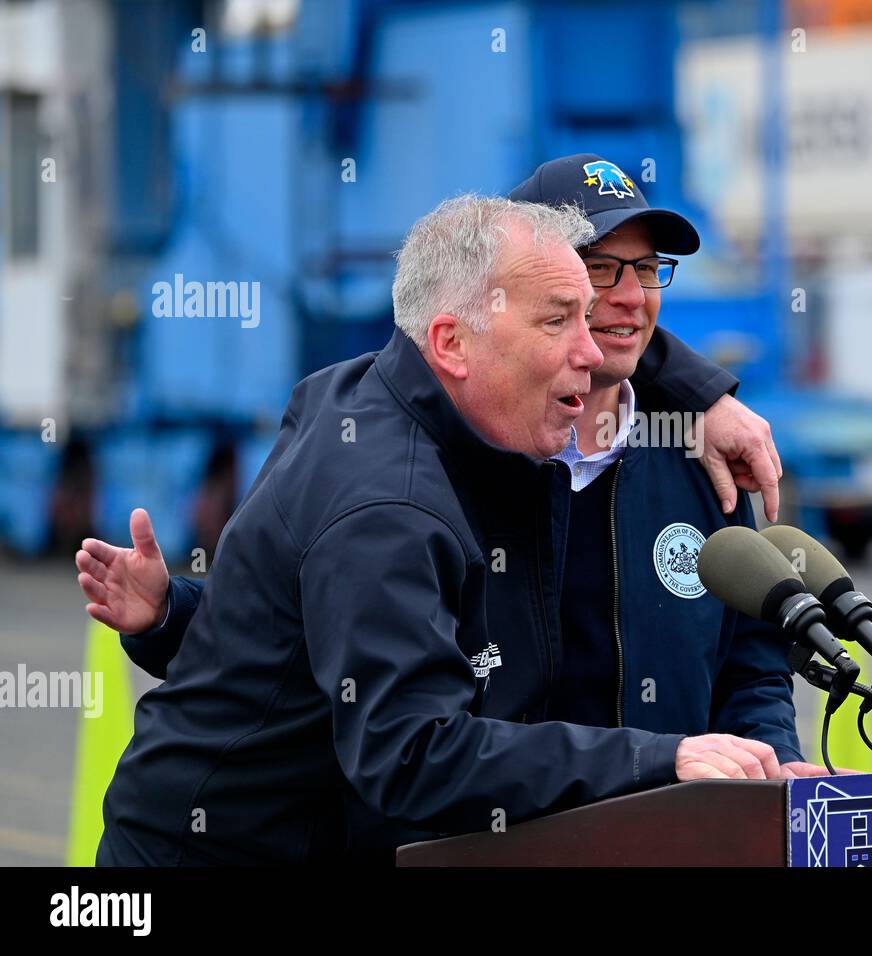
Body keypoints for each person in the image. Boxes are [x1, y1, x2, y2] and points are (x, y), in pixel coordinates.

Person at [87, 196, 791, 866]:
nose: (591, 348)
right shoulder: (390, 505)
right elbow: (411, 750)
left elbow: (289, 632)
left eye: (600, 307)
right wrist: (660, 761)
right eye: (559, 321)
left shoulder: (373, 391)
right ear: (452, 343)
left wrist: (698, 391)